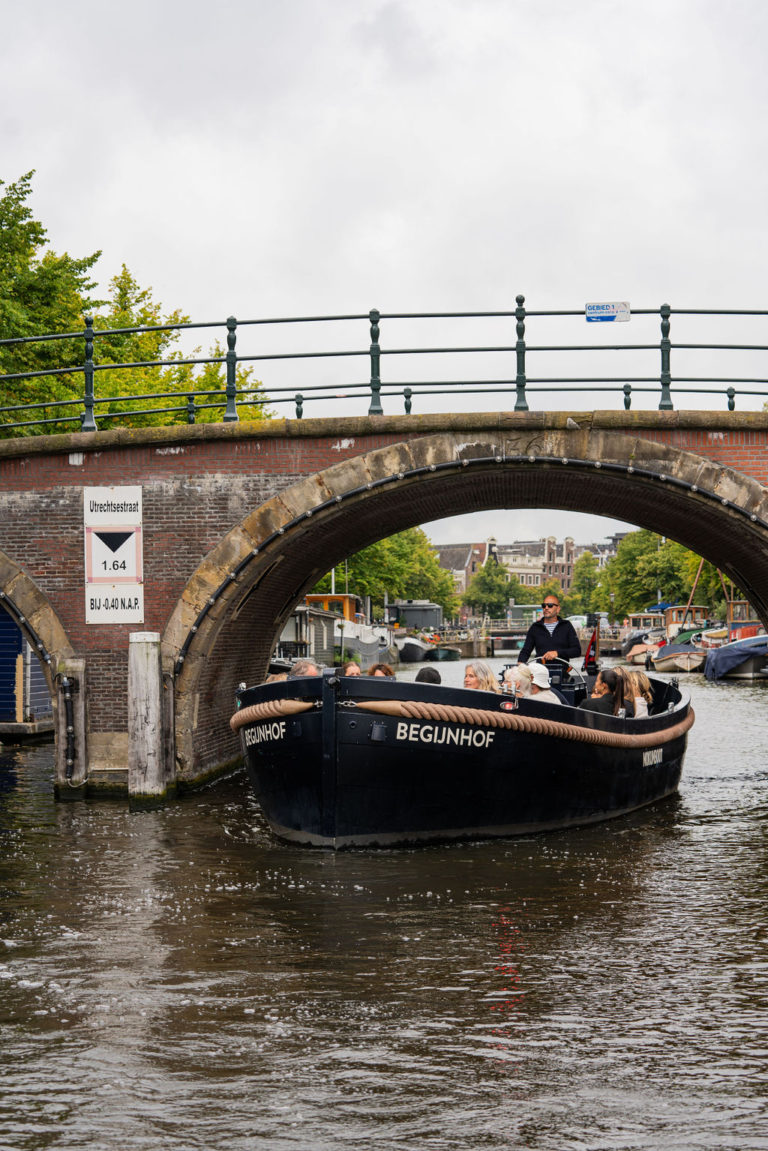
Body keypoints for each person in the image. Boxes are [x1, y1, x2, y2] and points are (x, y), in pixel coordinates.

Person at [518, 594, 581, 667]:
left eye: (550, 605)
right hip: (540, 672)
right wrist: (520, 665)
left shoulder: (566, 626)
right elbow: (526, 651)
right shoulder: (535, 627)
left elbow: (577, 651)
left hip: (562, 672)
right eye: (544, 605)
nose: (546, 608)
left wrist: (557, 653)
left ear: (558, 609)